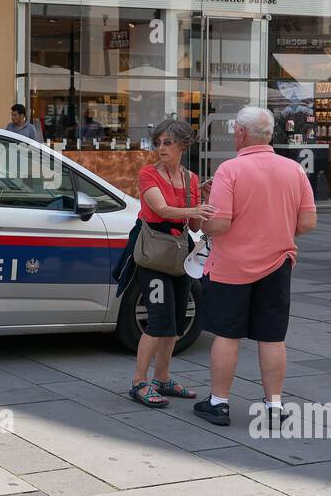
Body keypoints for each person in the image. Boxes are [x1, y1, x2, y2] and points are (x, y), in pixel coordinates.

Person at [195, 107, 317, 427]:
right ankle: (274, 406)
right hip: (278, 263)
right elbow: (307, 223)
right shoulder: (293, 170)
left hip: (231, 266)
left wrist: (206, 221)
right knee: (273, 337)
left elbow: (219, 224)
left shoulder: (230, 170)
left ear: (241, 133)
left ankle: (219, 403)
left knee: (226, 335)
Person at [127, 119, 216, 408]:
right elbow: (161, 209)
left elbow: (193, 223)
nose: (161, 148)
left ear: (182, 145)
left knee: (176, 322)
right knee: (157, 320)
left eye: (167, 142)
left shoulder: (190, 178)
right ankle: (139, 382)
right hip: (154, 253)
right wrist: (194, 207)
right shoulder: (148, 174)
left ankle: (162, 378)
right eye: (158, 142)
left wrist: (204, 200)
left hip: (179, 253)